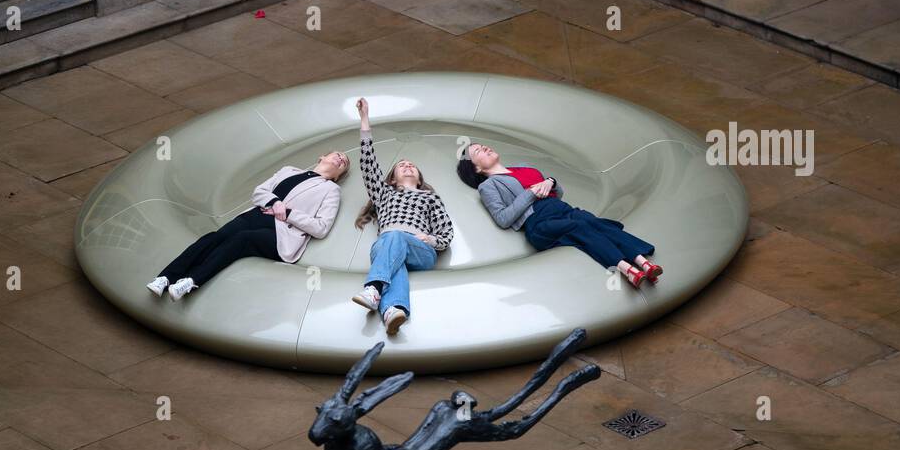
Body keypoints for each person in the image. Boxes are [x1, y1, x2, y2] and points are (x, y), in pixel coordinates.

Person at [145, 148, 350, 300]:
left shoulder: (331, 190)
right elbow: (259, 192)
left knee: (243, 239)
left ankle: (190, 281)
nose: (341, 158)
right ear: (322, 157)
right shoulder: (288, 170)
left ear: (338, 175)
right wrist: (275, 202)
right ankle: (164, 278)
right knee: (214, 238)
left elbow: (321, 227)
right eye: (338, 154)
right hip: (256, 214)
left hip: (281, 233)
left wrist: (287, 213)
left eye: (344, 162)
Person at [457, 142, 663, 288]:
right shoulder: (489, 185)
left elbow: (558, 193)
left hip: (561, 208)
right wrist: (530, 193)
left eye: (483, 145)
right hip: (538, 221)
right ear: (476, 167)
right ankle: (628, 269)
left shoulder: (523, 167)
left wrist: (551, 181)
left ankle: (643, 262)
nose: (485, 148)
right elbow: (502, 218)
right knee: (580, 228)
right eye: (478, 151)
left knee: (596, 222)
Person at [351, 97, 453, 336]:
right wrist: (365, 119)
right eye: (401, 165)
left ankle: (374, 288)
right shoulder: (384, 193)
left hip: (420, 249)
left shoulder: (430, 197)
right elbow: (368, 163)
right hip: (387, 247)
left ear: (419, 178)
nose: (407, 166)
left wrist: (431, 240)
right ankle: (393, 311)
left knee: (395, 236)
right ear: (393, 178)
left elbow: (446, 233)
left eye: (412, 165)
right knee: (395, 258)